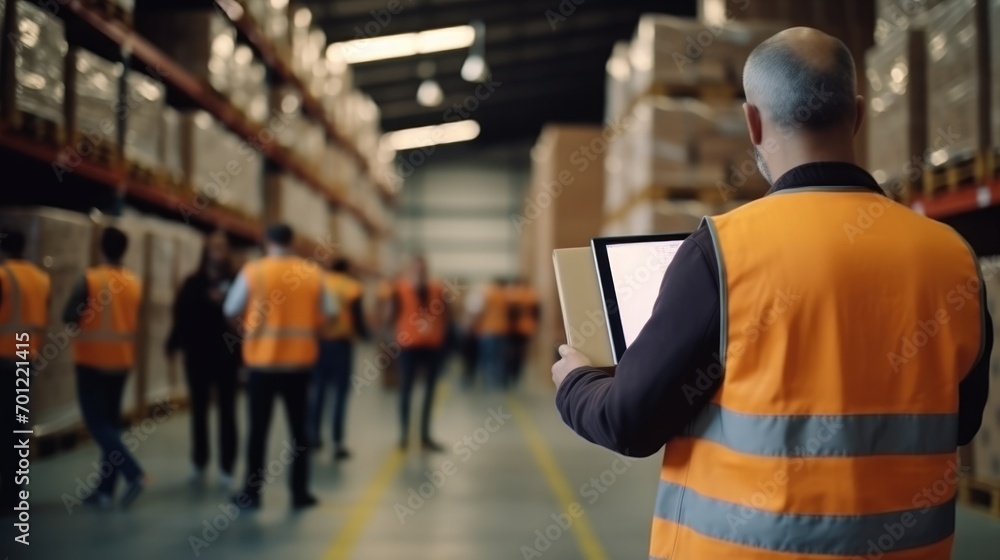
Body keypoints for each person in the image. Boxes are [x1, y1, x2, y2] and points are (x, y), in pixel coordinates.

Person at [552, 28, 992, 560]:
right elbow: (960, 421)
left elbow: (628, 422)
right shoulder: (952, 256)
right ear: (857, 114)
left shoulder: (722, 251)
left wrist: (574, 380)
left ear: (752, 122)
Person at [223, 224, 337, 510]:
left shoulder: (254, 271)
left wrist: (246, 330)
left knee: (258, 431)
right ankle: (299, 493)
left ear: (265, 241)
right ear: (293, 242)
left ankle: (252, 493)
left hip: (262, 365)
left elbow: (229, 309)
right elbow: (331, 313)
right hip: (299, 366)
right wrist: (314, 332)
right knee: (299, 432)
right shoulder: (311, 273)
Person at [63, 226, 146, 509]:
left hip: (91, 361)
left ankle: (133, 473)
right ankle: (105, 491)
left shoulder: (90, 279)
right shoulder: (134, 282)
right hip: (120, 363)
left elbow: (68, 316)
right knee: (110, 425)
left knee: (97, 424)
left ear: (101, 248)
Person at [166, 230, 240, 489]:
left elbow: (247, 315)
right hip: (197, 355)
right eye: (213, 246)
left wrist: (224, 304)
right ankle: (199, 460)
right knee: (199, 410)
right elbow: (181, 315)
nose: (218, 251)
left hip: (227, 355)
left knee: (227, 411)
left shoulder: (236, 281)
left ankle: (227, 465)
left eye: (223, 246)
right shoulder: (193, 283)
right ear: (206, 250)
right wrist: (173, 344)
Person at [0, 230, 50, 511]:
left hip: (3, 357)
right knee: (18, 426)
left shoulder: (3, 275)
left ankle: (7, 493)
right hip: (25, 356)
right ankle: (16, 491)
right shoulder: (41, 278)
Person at [309, 257, 369, 460]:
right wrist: (367, 337)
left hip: (319, 344)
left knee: (318, 391)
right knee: (340, 395)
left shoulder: (319, 281)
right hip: (342, 345)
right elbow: (358, 318)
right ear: (347, 268)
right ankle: (337, 443)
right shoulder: (353, 286)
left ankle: (314, 438)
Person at [388, 255, 450, 451]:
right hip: (408, 347)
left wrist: (446, 341)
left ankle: (425, 436)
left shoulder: (438, 289)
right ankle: (404, 436)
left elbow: (447, 315)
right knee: (406, 390)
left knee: (429, 392)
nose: (420, 272)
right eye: (416, 269)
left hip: (432, 346)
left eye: (423, 269)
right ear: (411, 270)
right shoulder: (399, 289)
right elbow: (391, 315)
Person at [474, 278, 509, 389]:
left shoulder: (486, 294)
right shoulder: (506, 296)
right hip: (502, 330)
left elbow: (479, 311)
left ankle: (488, 381)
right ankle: (498, 381)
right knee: (500, 357)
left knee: (487, 357)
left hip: (487, 330)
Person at [505, 278, 539, 387]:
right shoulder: (531, 295)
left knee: (510, 353)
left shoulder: (513, 295)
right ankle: (516, 376)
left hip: (513, 329)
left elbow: (510, 314)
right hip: (527, 328)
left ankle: (509, 375)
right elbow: (537, 313)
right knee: (520, 353)